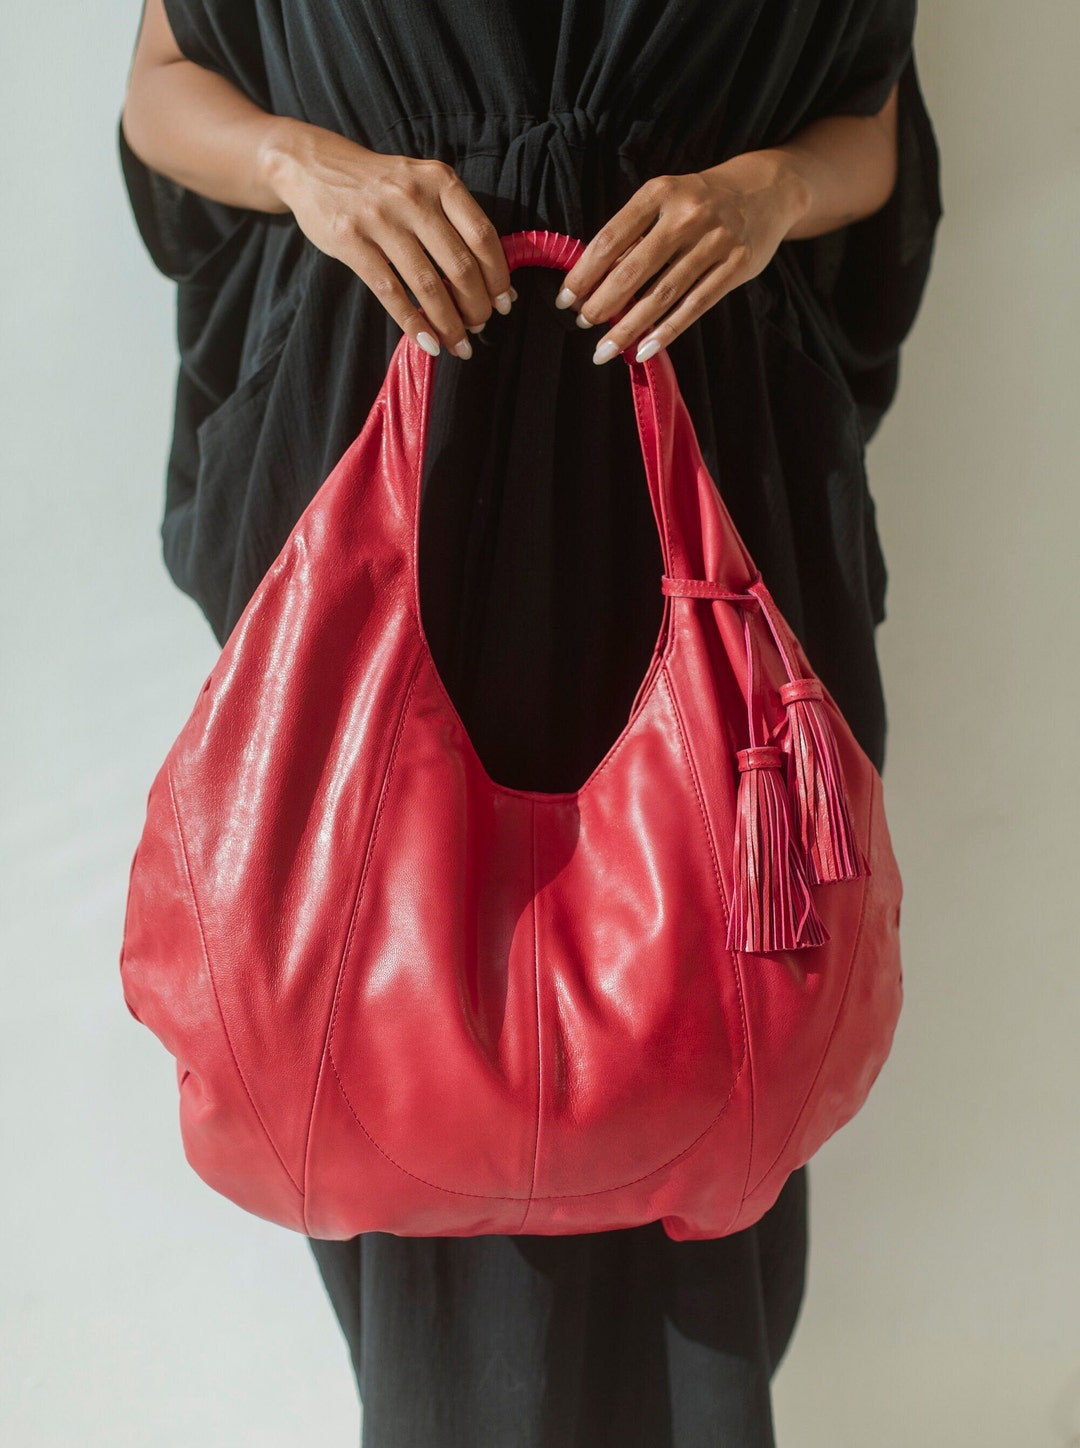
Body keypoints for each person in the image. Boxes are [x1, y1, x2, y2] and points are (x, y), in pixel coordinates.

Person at [118, 1, 942, 1443]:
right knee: (382, 1061)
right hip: (386, 471)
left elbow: (869, 121)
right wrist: (315, 168)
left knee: (720, 1060)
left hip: (710, 459)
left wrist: (767, 193)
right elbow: (167, 85)